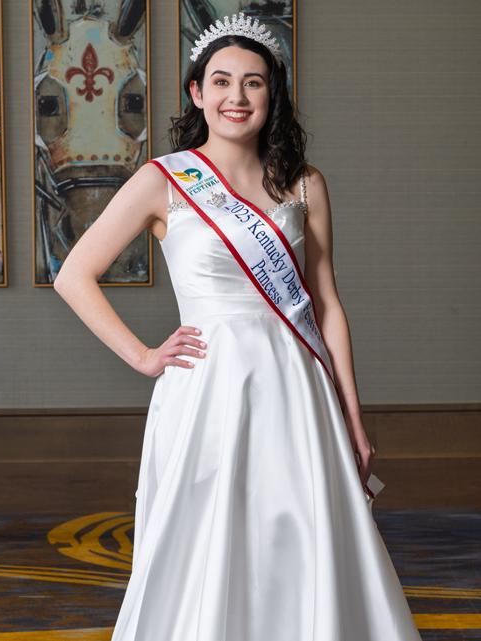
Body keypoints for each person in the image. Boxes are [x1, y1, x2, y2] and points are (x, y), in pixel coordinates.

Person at [54, 13, 422, 641]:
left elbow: (327, 304)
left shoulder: (305, 185)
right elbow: (74, 275)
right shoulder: (164, 181)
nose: (237, 97)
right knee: (206, 536)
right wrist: (144, 355)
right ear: (197, 93)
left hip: (298, 389)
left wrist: (354, 420)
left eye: (253, 83)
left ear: (272, 93)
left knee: (302, 537)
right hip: (209, 390)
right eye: (221, 82)